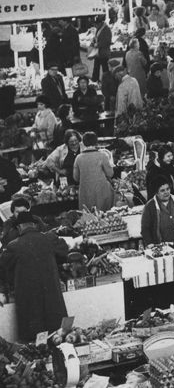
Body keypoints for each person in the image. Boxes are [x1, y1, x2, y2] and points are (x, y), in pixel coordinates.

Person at [0, 212, 69, 342]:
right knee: (57, 338)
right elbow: (64, 250)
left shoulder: (13, 246)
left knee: (35, 344)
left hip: (29, 302)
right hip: (52, 298)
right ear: (34, 225)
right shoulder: (49, 238)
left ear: (19, 227)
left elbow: (2, 268)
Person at [73, 131, 115, 211]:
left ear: (84, 143)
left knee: (89, 218)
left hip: (85, 192)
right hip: (101, 190)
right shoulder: (102, 155)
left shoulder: (78, 158)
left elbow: (76, 178)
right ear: (96, 142)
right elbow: (110, 174)